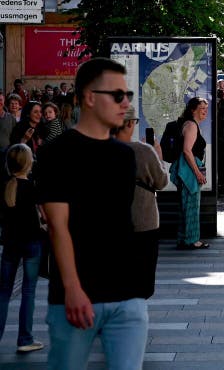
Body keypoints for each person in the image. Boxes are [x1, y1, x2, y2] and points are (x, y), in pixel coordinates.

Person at [37, 57, 147, 368]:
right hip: (76, 295)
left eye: (127, 95)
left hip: (127, 296)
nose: (124, 103)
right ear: (89, 97)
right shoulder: (56, 153)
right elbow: (58, 226)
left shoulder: (125, 156)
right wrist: (72, 288)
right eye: (116, 95)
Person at [113, 106, 169, 298]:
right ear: (129, 123)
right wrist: (158, 156)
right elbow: (161, 182)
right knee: (142, 280)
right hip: (143, 221)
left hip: (111, 224)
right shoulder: (144, 151)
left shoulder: (99, 150)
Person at [0, 144, 44, 353]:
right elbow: (43, 216)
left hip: (10, 243)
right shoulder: (33, 187)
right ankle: (25, 339)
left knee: (4, 292)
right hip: (32, 242)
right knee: (28, 291)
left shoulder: (5, 186)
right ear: (29, 163)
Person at [170, 97, 210, 250]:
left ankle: (184, 238)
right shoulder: (191, 126)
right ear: (193, 110)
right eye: (202, 108)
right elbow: (187, 151)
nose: (205, 111)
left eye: (206, 108)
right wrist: (198, 173)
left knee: (186, 206)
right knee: (192, 205)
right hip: (189, 170)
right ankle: (192, 240)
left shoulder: (190, 124)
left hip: (186, 169)